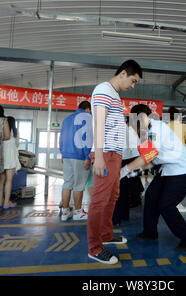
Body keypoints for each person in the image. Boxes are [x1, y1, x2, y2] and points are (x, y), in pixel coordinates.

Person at [87, 59, 143, 265]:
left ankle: (106, 235)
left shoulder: (115, 96)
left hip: (115, 155)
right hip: (106, 153)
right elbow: (99, 124)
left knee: (112, 197)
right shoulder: (103, 90)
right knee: (100, 201)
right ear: (123, 74)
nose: (133, 85)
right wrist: (99, 156)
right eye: (133, 80)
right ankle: (94, 247)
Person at [122, 104, 186, 251]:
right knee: (150, 196)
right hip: (168, 169)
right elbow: (150, 162)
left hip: (182, 171)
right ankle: (150, 232)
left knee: (166, 205)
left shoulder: (156, 129)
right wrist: (133, 171)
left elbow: (147, 157)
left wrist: (125, 170)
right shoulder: (145, 132)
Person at [59, 101, 93, 221]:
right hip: (80, 155)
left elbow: (61, 137)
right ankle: (78, 212)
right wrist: (88, 157)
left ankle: (65, 212)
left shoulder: (67, 119)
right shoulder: (89, 118)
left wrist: (62, 153)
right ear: (88, 109)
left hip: (66, 155)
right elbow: (88, 138)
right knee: (79, 185)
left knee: (67, 183)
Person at [112, 118, 144, 226]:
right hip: (130, 160)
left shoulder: (127, 130)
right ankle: (123, 216)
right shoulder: (130, 131)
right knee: (124, 191)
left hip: (125, 161)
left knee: (119, 192)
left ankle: (116, 218)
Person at [167, 106, 186, 213]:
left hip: (167, 156)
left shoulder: (165, 126)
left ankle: (168, 201)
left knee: (169, 180)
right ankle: (177, 203)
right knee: (179, 180)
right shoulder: (183, 127)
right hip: (180, 156)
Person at [0, 116, 22, 209]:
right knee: (9, 180)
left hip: (1, 155)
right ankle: (6, 203)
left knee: (1, 180)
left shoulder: (1, 132)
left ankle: (0, 201)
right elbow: (17, 144)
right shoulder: (15, 132)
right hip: (11, 157)